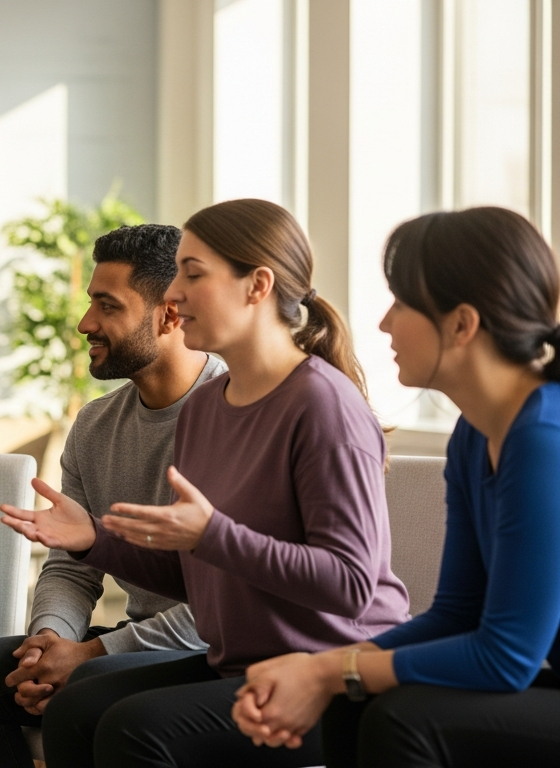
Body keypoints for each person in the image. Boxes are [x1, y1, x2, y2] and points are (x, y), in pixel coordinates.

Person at [0, 198, 411, 767]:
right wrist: (95, 540)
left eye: (192, 275)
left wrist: (211, 534)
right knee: (77, 707)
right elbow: (200, 577)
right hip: (239, 662)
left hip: (333, 671)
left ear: (257, 286)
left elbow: (350, 584)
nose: (174, 294)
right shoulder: (207, 408)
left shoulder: (324, 405)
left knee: (133, 728)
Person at [232, 207, 560, 767]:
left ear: (461, 325)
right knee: (353, 700)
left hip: (530, 672)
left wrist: (328, 670)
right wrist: (327, 673)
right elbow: (457, 613)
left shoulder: (543, 439)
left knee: (400, 717)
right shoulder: (474, 435)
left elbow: (506, 656)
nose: (384, 323)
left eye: (402, 303)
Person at [0, 224, 220, 768]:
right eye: (91, 303)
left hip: (205, 646)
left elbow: (223, 604)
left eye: (107, 306)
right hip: (137, 642)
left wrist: (89, 652)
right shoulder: (94, 426)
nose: (86, 323)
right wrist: (48, 644)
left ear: (169, 315)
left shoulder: (233, 412)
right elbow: (71, 568)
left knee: (86, 688)